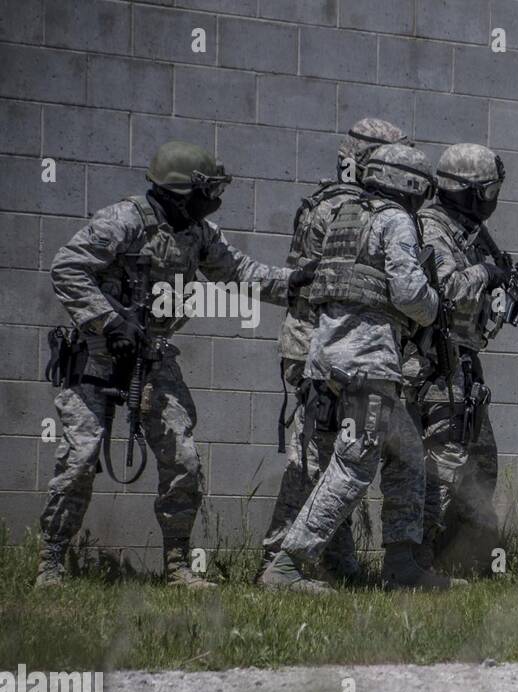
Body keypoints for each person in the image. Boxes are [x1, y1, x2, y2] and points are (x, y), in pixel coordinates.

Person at [36, 141, 312, 589]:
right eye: (208, 191)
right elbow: (68, 267)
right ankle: (50, 564)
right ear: (182, 192)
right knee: (80, 459)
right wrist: (109, 322)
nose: (215, 199)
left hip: (152, 355)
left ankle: (178, 566)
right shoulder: (124, 221)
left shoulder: (199, 233)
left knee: (183, 459)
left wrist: (294, 282)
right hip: (97, 354)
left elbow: (238, 272)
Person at [259, 144, 456, 592]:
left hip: (330, 359)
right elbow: (409, 294)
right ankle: (287, 565)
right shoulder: (394, 219)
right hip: (368, 365)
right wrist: (434, 305)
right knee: (353, 466)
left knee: (407, 453)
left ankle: (402, 566)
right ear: (410, 184)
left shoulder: (345, 215)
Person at [413, 144, 511, 577]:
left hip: (463, 367)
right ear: (467, 192)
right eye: (487, 192)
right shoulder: (432, 229)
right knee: (442, 470)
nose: (492, 201)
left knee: (480, 466)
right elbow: (448, 289)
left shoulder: (464, 233)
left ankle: (465, 562)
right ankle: (416, 563)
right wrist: (487, 273)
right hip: (437, 369)